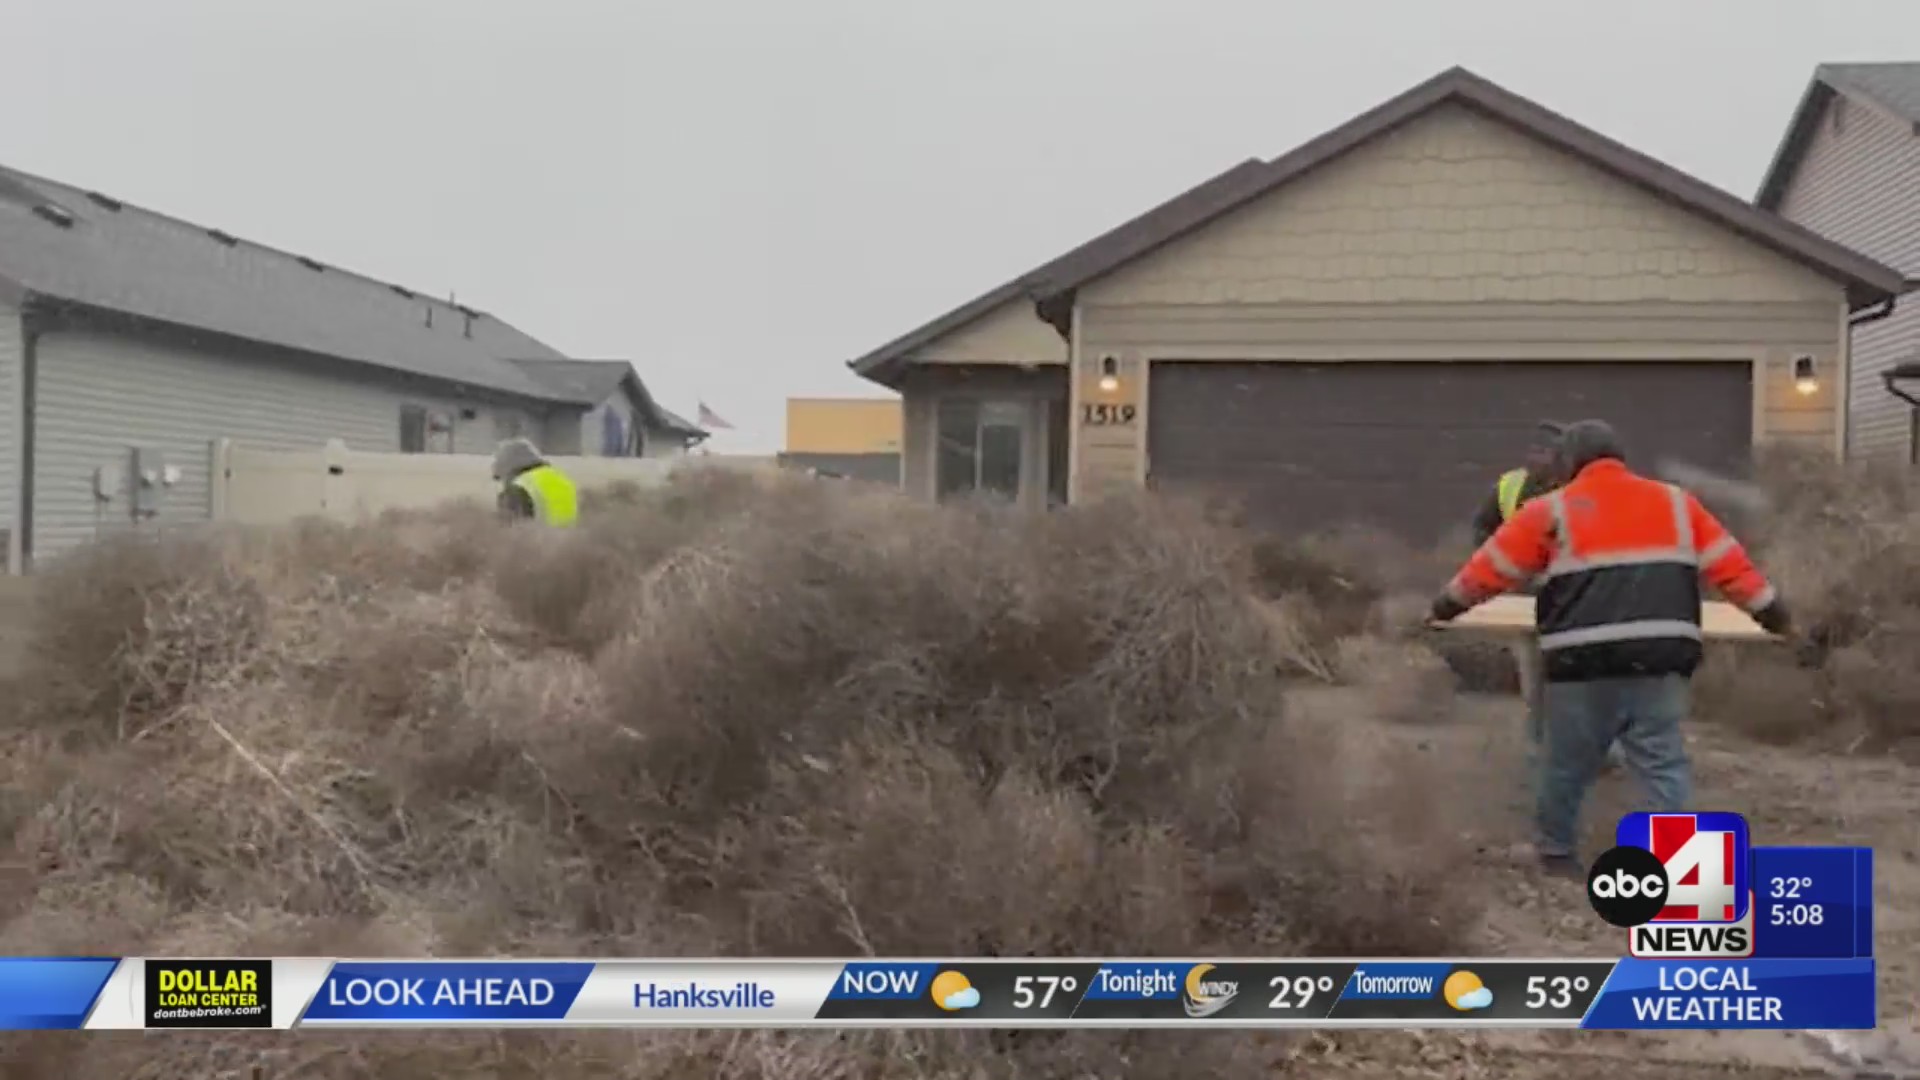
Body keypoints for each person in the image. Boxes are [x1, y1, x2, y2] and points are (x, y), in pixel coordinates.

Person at [1428, 420, 1790, 879]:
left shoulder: (1552, 509)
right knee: (1662, 761)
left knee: (1565, 762)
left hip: (1583, 660)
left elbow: (1489, 569)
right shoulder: (1678, 503)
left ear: (1571, 463)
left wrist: (1444, 607)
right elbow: (1735, 571)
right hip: (1661, 656)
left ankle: (1557, 855)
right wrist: (1777, 617)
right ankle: (1678, 868)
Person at [493, 437, 579, 527]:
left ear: (507, 468)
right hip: (573, 537)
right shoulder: (560, 478)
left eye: (500, 477)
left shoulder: (516, 490)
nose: (503, 482)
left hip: (540, 538)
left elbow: (511, 529)